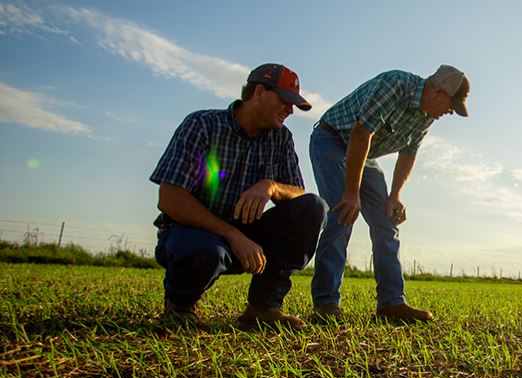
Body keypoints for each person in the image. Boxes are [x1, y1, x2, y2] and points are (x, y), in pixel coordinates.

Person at [150, 63, 327, 329]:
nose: (290, 111)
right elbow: (170, 198)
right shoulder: (202, 125)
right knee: (204, 250)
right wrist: (233, 235)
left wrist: (271, 186)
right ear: (258, 92)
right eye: (285, 101)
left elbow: (298, 193)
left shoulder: (281, 138)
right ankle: (180, 307)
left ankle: (263, 308)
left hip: (248, 236)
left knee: (313, 208)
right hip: (193, 233)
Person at [309, 64, 470, 322]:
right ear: (438, 91)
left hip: (366, 154)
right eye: (451, 105)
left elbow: (409, 153)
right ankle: (326, 303)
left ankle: (391, 304)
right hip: (333, 140)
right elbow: (361, 133)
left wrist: (395, 195)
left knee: (387, 223)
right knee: (343, 214)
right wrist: (351, 192)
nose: (449, 112)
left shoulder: (427, 114)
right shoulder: (395, 85)